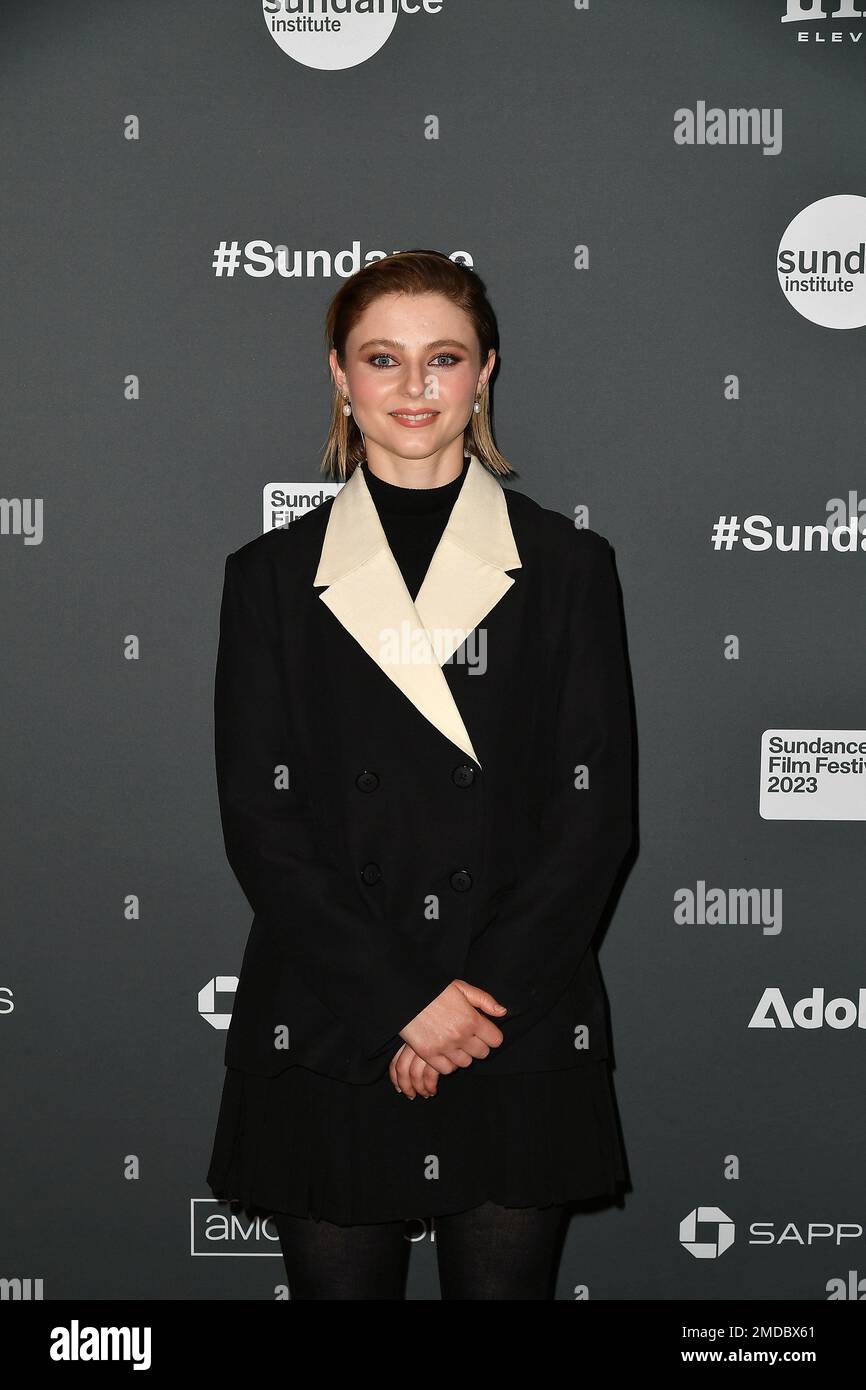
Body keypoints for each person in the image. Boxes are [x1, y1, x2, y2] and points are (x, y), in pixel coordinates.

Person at [206, 249, 635, 1300]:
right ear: (339, 374)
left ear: (484, 371)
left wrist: (466, 1011)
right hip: (332, 1016)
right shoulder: (268, 577)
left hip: (512, 1018)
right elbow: (263, 824)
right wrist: (402, 1001)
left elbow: (592, 822)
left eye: (441, 358)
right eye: (381, 358)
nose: (412, 386)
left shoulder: (568, 567)